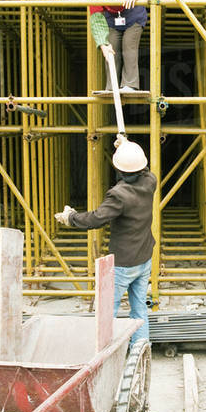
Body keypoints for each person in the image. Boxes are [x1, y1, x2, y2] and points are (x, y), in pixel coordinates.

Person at [55, 138, 156, 345]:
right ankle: (141, 348)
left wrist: (71, 218)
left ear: (118, 170)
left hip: (123, 264)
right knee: (139, 308)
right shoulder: (150, 181)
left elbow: (96, 219)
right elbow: (141, 168)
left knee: (108, 311)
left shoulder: (119, 195)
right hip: (144, 257)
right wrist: (126, 146)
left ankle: (104, 351)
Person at [86, 0, 151, 92]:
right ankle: (112, 88)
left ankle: (130, 85)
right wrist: (103, 44)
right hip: (113, 22)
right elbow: (97, 21)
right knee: (111, 50)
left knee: (128, 46)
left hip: (133, 17)